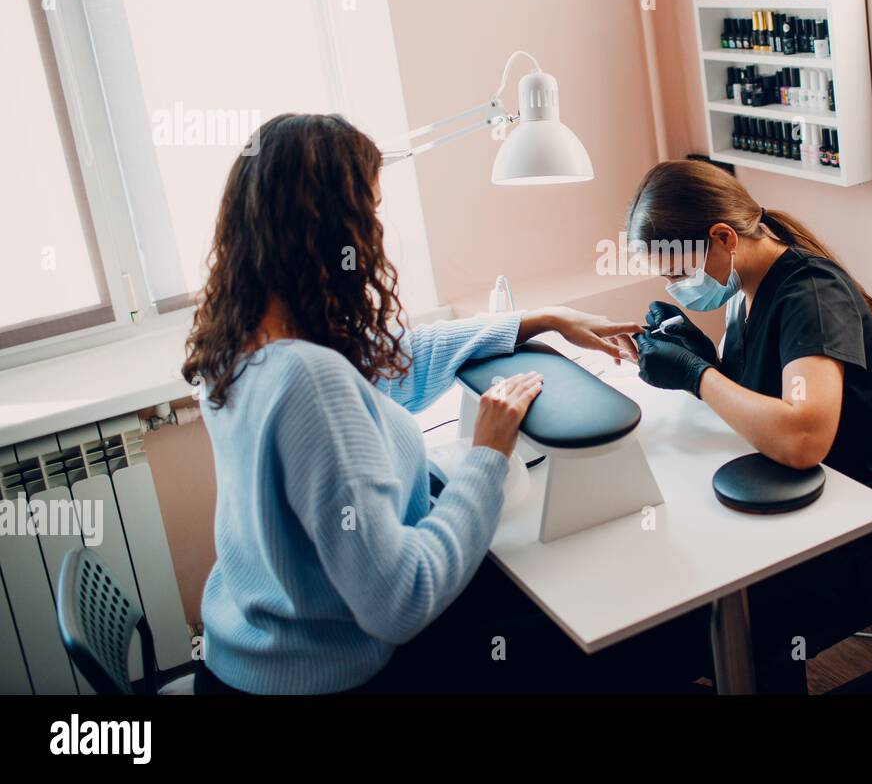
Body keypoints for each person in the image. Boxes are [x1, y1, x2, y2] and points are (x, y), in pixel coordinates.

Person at [182, 113, 704, 694]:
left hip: (251, 650)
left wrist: (542, 320)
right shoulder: (310, 380)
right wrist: (487, 456)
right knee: (634, 633)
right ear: (329, 229)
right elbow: (398, 602)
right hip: (329, 675)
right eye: (370, 212)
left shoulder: (240, 342)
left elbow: (394, 358)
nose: (377, 232)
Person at [616, 159, 872, 693]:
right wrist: (699, 356)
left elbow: (802, 437)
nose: (677, 286)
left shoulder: (810, 295)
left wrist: (697, 377)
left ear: (722, 237)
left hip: (837, 540)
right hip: (778, 508)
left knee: (659, 629)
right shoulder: (746, 287)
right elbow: (758, 397)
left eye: (678, 272)